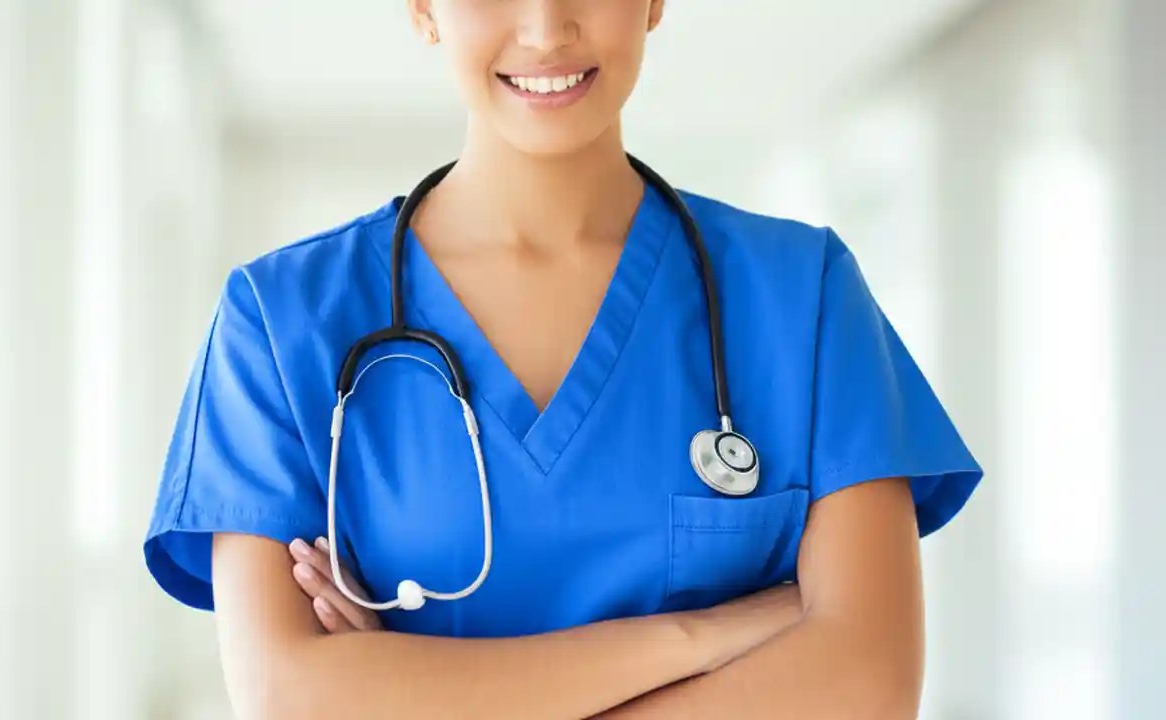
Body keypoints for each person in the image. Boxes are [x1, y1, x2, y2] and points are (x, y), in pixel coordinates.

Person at [142, 1, 983, 717]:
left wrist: (417, 693)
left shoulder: (804, 297)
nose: (547, 29)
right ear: (422, 6)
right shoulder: (281, 320)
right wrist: (703, 636)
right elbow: (289, 695)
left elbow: (867, 682)